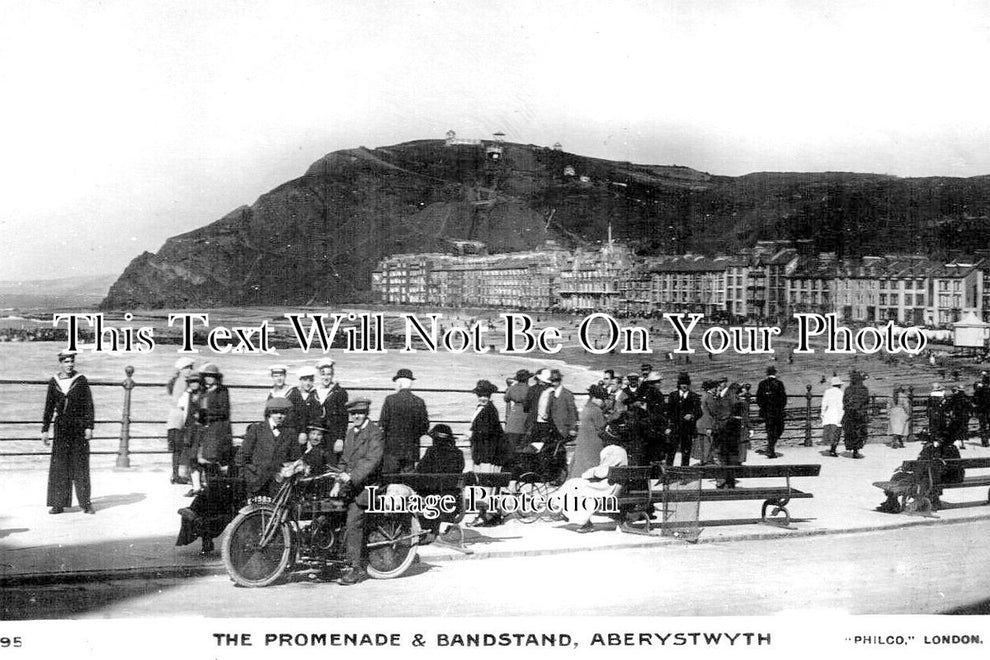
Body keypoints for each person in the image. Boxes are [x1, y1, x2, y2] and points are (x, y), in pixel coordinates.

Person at [335, 398, 384, 585]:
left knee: (353, 521)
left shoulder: (375, 433)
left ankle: (355, 569)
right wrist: (337, 480)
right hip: (352, 484)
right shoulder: (350, 432)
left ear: (366, 413)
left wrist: (351, 477)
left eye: (360, 413)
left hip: (368, 487)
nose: (356, 416)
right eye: (353, 413)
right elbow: (344, 460)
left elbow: (372, 461)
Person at [41, 350, 95, 515]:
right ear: (60, 363)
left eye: (71, 361)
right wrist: (45, 429)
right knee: (60, 466)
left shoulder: (81, 380)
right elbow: (49, 407)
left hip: (78, 427)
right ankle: (58, 504)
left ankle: (85, 503)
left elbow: (88, 405)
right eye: (66, 362)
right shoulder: (54, 381)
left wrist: (89, 426)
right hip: (61, 428)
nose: (70, 364)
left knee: (80, 465)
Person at [549, 444, 629, 533]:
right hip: (612, 486)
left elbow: (600, 473)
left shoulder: (614, 452)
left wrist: (591, 472)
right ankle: (566, 511)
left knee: (574, 485)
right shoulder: (621, 457)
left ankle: (565, 510)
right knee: (574, 485)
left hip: (607, 488)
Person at [234, 397, 296, 499]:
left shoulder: (290, 433)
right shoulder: (256, 429)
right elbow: (242, 456)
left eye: (283, 413)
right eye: (275, 412)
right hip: (255, 482)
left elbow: (294, 458)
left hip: (278, 485)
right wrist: (246, 477)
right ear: (269, 413)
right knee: (254, 508)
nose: (279, 416)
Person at [467, 379, 507, 527]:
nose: (482, 398)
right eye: (480, 395)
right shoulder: (485, 409)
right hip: (483, 452)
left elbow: (486, 432)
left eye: (485, 395)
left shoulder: (489, 411)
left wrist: (472, 434)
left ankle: (487, 516)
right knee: (485, 485)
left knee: (485, 486)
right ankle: (488, 515)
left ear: (490, 396)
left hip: (488, 454)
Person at [190, 363, 234, 494]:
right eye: (206, 376)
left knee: (212, 459)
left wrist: (206, 413)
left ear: (217, 377)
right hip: (204, 429)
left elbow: (224, 411)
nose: (208, 378)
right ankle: (205, 488)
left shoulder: (222, 390)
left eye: (211, 376)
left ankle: (215, 489)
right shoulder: (203, 391)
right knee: (200, 458)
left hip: (217, 429)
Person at [379, 368, 430, 473]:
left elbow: (383, 424)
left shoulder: (390, 400)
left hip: (391, 450)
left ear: (399, 384)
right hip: (411, 449)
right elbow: (425, 426)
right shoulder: (419, 401)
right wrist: (414, 437)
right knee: (408, 478)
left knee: (390, 477)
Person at [166, 357, 195, 484]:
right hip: (180, 417)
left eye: (191, 368)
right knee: (181, 447)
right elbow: (181, 402)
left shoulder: (177, 381)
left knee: (177, 448)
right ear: (181, 370)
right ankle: (178, 475)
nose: (189, 370)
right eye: (187, 368)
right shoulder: (183, 382)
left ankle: (176, 474)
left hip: (174, 417)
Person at [313, 357, 348, 463]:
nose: (326, 377)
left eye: (329, 374)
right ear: (319, 375)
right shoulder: (314, 392)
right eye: (323, 374)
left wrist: (340, 439)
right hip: (317, 436)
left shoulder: (339, 392)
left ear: (332, 375)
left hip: (333, 436)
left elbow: (344, 417)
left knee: (331, 464)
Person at [569, 384, 608, 478]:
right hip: (593, 445)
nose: (603, 402)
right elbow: (601, 428)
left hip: (583, 443)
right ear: (595, 398)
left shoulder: (586, 408)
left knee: (580, 468)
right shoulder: (596, 410)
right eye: (602, 399)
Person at [666, 372, 701, 467]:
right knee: (671, 451)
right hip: (675, 428)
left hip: (688, 429)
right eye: (682, 384)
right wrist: (668, 427)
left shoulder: (694, 396)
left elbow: (699, 412)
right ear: (679, 385)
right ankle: (668, 470)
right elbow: (669, 412)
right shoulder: (673, 395)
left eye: (686, 384)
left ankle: (684, 470)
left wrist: (692, 415)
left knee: (686, 451)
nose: (684, 386)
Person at [756, 365, 787, 459]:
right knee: (779, 429)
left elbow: (759, 399)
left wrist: (763, 407)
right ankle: (771, 447)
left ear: (767, 373)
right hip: (777, 411)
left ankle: (770, 447)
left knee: (770, 430)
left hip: (767, 411)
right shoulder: (779, 383)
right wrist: (781, 407)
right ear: (775, 373)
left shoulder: (762, 384)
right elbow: (783, 398)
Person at [286, 366, 320, 446]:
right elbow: (288, 415)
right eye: (305, 380)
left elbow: (316, 416)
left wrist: (307, 433)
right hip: (293, 431)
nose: (308, 383)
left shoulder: (315, 395)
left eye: (310, 380)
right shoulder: (293, 394)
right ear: (300, 380)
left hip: (309, 433)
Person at [842, 370, 870, 459]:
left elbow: (844, 401)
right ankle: (856, 450)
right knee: (859, 431)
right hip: (860, 413)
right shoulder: (864, 389)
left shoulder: (847, 389)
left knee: (850, 431)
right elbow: (866, 401)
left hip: (849, 413)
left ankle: (853, 448)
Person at [503, 369, 531, 451]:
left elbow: (506, 399)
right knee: (523, 445)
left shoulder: (512, 388)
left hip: (514, 415)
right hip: (526, 414)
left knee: (512, 444)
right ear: (527, 379)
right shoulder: (529, 389)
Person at [692, 380, 718, 465]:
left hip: (700, 423)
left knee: (701, 444)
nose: (716, 389)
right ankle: (707, 461)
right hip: (707, 424)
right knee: (708, 443)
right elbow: (713, 411)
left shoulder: (703, 396)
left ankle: (703, 460)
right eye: (715, 387)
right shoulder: (710, 397)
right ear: (712, 388)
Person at [821, 376, 845, 457]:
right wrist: (841, 415)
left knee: (829, 430)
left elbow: (824, 403)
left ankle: (831, 447)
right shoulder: (841, 393)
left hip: (829, 413)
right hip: (837, 413)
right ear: (839, 385)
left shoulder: (827, 392)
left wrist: (822, 413)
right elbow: (841, 405)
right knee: (836, 432)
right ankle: (833, 449)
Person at [946, 385, 971, 450]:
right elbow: (970, 406)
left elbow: (950, 405)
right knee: (963, 428)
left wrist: (949, 412)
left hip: (957, 414)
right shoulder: (966, 397)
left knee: (956, 429)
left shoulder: (954, 397)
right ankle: (963, 444)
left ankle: (956, 444)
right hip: (965, 415)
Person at [973, 371, 990, 447]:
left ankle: (985, 441)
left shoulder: (979, 388)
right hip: (985, 409)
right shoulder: (983, 388)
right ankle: (985, 440)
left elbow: (975, 400)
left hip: (982, 409)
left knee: (983, 426)